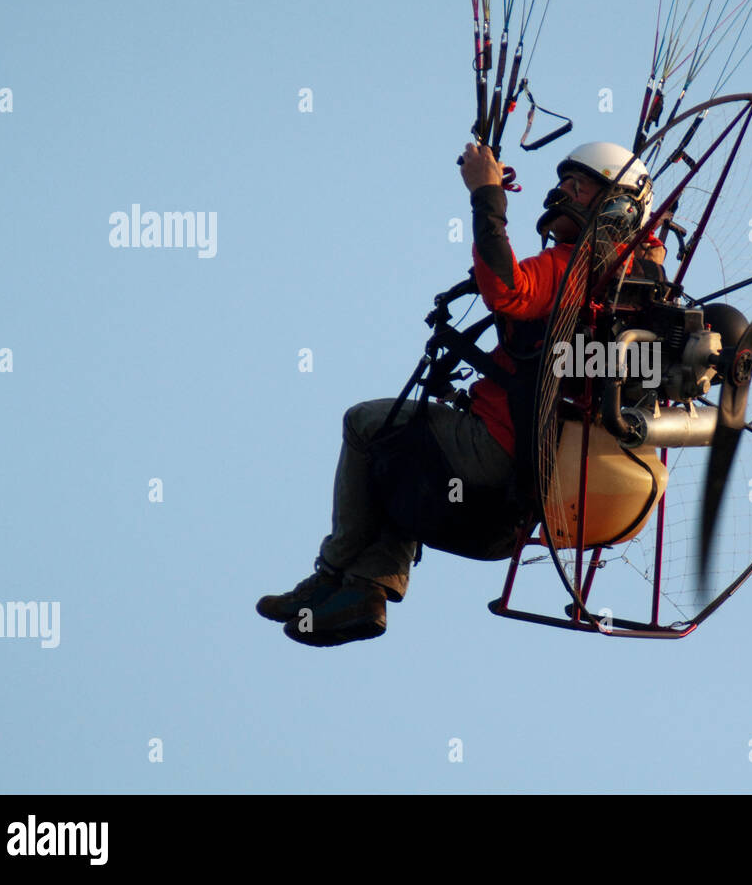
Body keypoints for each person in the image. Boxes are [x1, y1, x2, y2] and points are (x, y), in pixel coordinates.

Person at [256, 140, 659, 647]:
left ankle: (333, 571)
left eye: (576, 185)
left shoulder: (568, 268)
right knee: (402, 455)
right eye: (561, 182)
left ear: (614, 205)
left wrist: (486, 195)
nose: (559, 192)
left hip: (495, 454)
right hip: (522, 501)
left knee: (367, 424)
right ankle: (364, 593)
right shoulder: (639, 285)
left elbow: (508, 289)